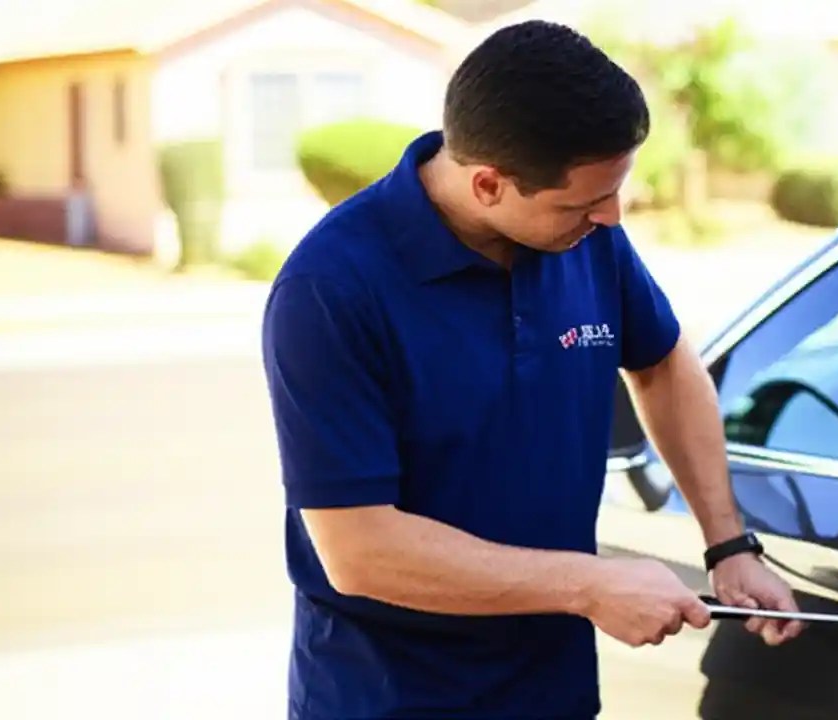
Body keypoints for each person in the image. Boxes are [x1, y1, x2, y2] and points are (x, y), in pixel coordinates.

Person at [260, 19, 804, 720]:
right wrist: (588, 586)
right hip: (392, 699)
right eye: (585, 202)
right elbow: (361, 550)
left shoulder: (586, 237)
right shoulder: (330, 290)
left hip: (554, 691)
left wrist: (729, 545)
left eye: (617, 193)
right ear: (488, 184)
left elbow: (665, 365)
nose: (611, 218)